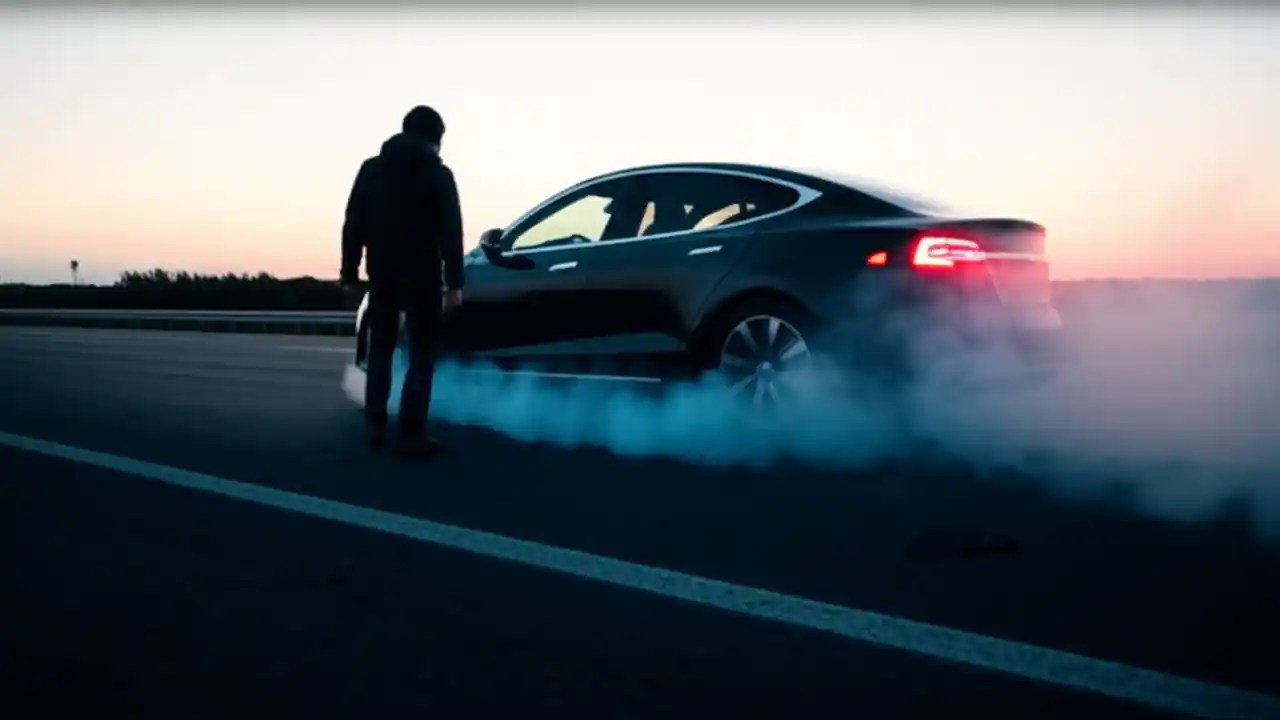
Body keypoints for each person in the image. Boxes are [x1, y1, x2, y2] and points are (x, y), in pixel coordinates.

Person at [340, 105, 465, 457]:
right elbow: (451, 232)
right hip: (423, 277)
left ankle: (376, 425)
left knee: (380, 350)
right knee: (421, 357)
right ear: (435, 138)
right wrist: (455, 283)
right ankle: (411, 434)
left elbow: (353, 226)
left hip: (382, 274)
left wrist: (349, 276)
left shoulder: (371, 170)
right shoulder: (439, 175)